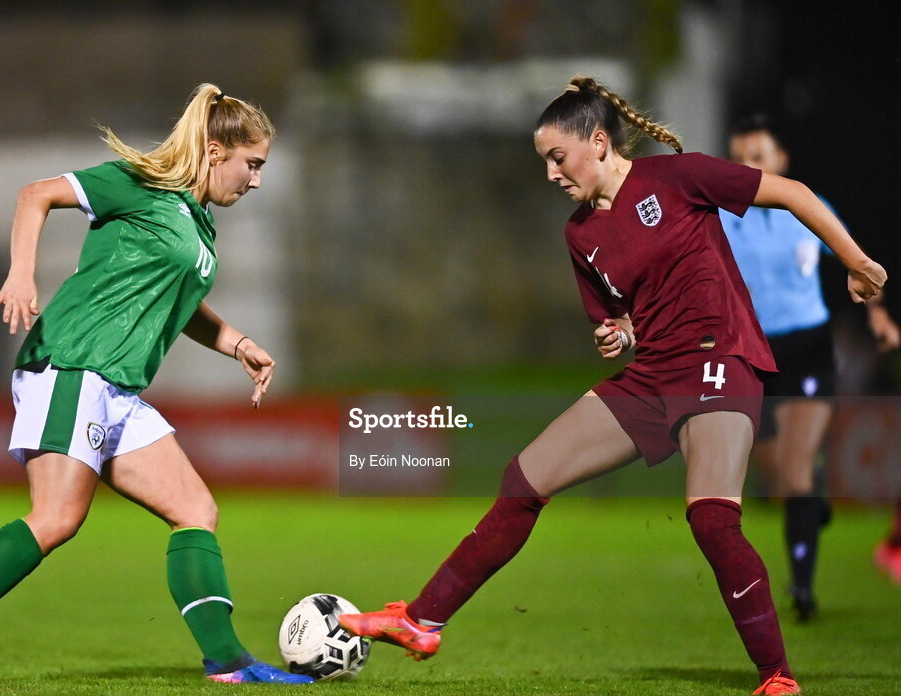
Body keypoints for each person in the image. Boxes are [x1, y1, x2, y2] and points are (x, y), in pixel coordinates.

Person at [339, 76, 886, 696]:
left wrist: (857, 262)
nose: (551, 175)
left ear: (598, 142)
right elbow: (618, 316)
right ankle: (422, 619)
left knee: (711, 518)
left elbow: (790, 192)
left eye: (557, 158)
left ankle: (778, 678)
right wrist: (617, 334)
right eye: (544, 162)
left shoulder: (677, 178)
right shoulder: (580, 235)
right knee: (524, 480)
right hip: (652, 375)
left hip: (719, 360)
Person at [0, 83, 312, 685]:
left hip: (118, 389)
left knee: (195, 509)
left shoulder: (199, 226)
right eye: (254, 164)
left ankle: (229, 663)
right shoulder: (141, 185)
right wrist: (21, 274)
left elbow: (179, 303)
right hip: (73, 366)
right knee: (57, 517)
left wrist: (238, 343)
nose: (257, 179)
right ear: (216, 152)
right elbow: (36, 194)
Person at [718, 114, 901, 621]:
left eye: (757, 157)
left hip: (808, 347)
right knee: (783, 483)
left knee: (799, 471)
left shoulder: (808, 208)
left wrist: (878, 313)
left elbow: (859, 265)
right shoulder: (719, 218)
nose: (746, 168)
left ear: (781, 162)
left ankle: (802, 590)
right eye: (738, 158)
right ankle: (810, 504)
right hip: (751, 355)